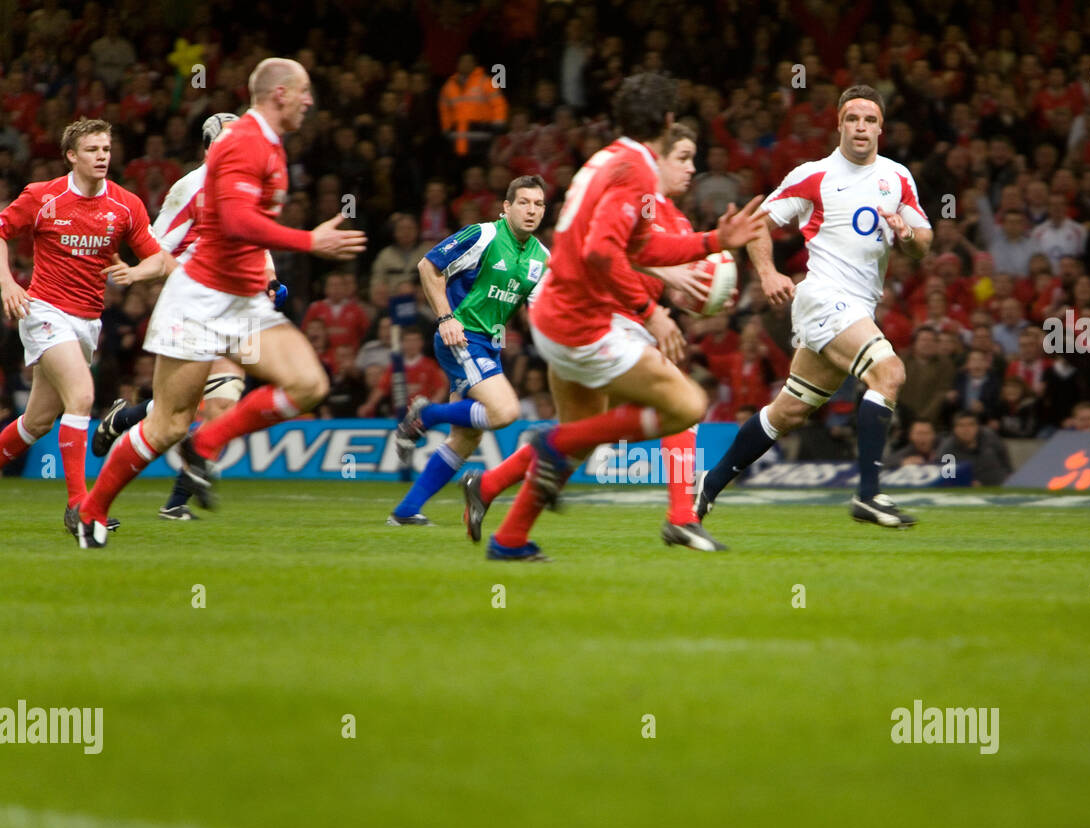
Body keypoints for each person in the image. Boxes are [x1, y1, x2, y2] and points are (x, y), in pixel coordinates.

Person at [72, 58, 366, 548]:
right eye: (304, 91)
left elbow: (249, 230)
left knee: (310, 384)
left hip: (244, 300)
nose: (310, 101)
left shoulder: (270, 143)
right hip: (200, 300)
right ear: (279, 94)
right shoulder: (244, 143)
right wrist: (308, 242)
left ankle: (205, 443)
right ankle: (93, 510)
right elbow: (235, 222)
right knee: (167, 425)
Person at [481, 72, 766, 561]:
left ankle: (508, 540)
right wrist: (651, 312)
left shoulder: (612, 157)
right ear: (668, 120)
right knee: (687, 405)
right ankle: (555, 445)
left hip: (559, 313)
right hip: (582, 321)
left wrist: (714, 241)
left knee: (585, 435)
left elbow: (639, 246)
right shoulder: (637, 170)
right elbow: (601, 251)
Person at [696, 85, 933, 530]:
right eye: (852, 119)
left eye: (869, 120)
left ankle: (707, 485)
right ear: (839, 124)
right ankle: (869, 496)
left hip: (857, 307)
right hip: (822, 297)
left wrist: (907, 237)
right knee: (889, 372)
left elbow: (923, 240)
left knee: (788, 411)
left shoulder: (898, 177)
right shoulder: (814, 175)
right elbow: (757, 224)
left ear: (880, 128)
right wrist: (768, 273)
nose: (860, 127)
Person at [90, 112, 290, 521]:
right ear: (209, 146)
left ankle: (174, 499)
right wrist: (141, 274)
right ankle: (123, 436)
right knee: (176, 414)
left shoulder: (250, 187)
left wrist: (270, 281)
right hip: (194, 307)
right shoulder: (190, 187)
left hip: (237, 307)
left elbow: (258, 246)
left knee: (220, 405)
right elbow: (157, 248)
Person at [0, 117, 164, 533]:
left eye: (106, 149)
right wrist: (8, 283)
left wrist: (136, 273)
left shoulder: (125, 205)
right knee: (82, 396)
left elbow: (160, 260)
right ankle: (81, 509)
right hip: (44, 311)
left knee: (37, 422)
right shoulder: (43, 196)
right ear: (71, 155)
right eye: (92, 150)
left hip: (87, 321)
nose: (102, 156)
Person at [385, 175, 549, 525]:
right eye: (523, 203)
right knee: (505, 411)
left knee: (466, 438)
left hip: (490, 347)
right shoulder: (483, 235)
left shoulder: (541, 257)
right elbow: (428, 266)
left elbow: (543, 313)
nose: (531, 210)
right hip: (461, 337)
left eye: (538, 204)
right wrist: (446, 318)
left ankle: (405, 512)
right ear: (506, 207)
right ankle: (427, 415)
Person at [938, 410, 1012, 486]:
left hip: (1002, 485)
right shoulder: (947, 449)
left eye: (971, 425)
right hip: (970, 491)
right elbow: (946, 480)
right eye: (961, 425)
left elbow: (1004, 458)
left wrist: (1010, 475)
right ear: (954, 429)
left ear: (978, 427)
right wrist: (965, 484)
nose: (966, 429)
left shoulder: (990, 436)